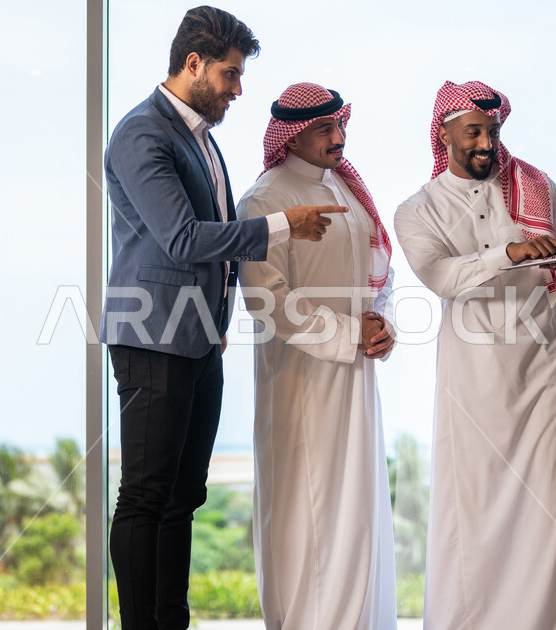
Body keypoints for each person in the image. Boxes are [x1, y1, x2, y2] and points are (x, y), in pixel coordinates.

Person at [98, 8, 346, 629]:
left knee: (184, 496)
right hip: (153, 338)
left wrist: (216, 318)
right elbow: (184, 239)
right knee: (145, 495)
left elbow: (209, 240)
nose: (238, 88)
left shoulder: (200, 137)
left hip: (200, 339)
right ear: (194, 64)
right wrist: (284, 224)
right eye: (230, 74)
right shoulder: (141, 134)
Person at [393, 80, 556, 630]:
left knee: (555, 505)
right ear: (444, 134)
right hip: (475, 377)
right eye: (474, 131)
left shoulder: (537, 187)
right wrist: (509, 253)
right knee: (477, 508)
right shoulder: (418, 209)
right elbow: (442, 278)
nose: (487, 143)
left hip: (543, 370)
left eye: (493, 131)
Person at [236, 83, 397, 630]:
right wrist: (350, 332)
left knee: (357, 510)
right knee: (311, 512)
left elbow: (379, 273)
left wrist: (382, 326)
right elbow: (267, 299)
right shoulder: (266, 200)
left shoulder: (344, 187)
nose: (338, 136)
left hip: (357, 377)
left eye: (340, 125)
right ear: (291, 138)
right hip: (301, 383)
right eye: (325, 129)